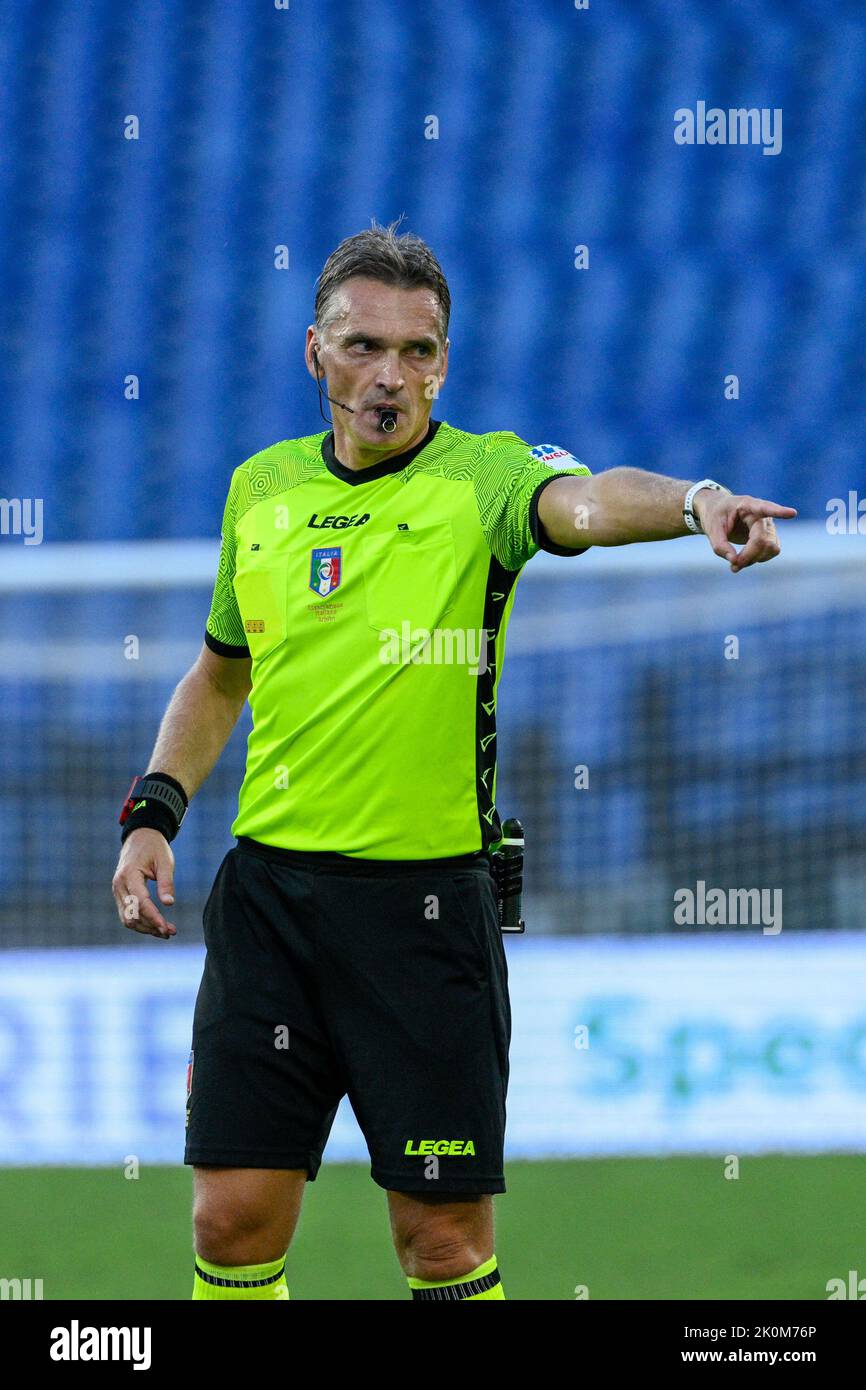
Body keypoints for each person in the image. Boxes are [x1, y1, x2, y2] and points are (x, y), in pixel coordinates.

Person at [111, 221, 796, 1302]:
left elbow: (581, 502)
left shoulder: (482, 478)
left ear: (444, 361)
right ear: (313, 353)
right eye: (362, 346)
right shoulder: (261, 491)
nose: (391, 374)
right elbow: (218, 674)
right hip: (270, 906)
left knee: (441, 1240)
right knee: (232, 1219)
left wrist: (689, 502)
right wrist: (153, 811)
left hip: (424, 912)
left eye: (419, 351)